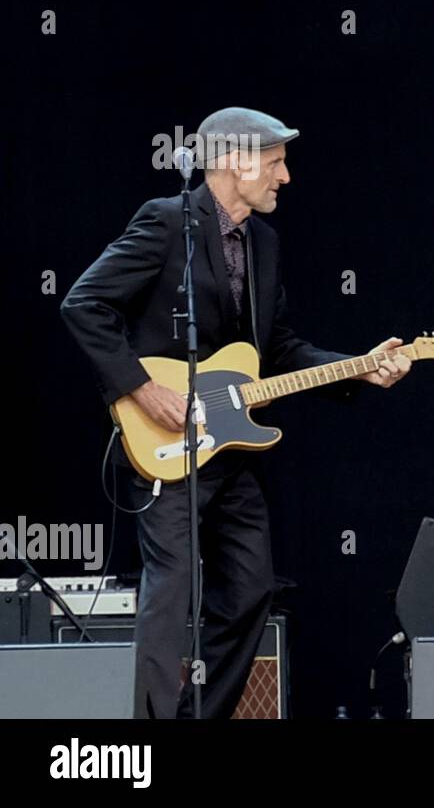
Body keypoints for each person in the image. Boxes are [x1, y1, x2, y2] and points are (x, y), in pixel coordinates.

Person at [61, 107, 411, 718]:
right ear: (233, 162)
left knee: (251, 589)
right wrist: (143, 389)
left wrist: (358, 365)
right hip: (164, 443)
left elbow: (275, 350)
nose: (286, 177)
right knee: (171, 595)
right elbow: (84, 304)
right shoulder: (168, 222)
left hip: (230, 448)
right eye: (275, 163)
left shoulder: (263, 242)